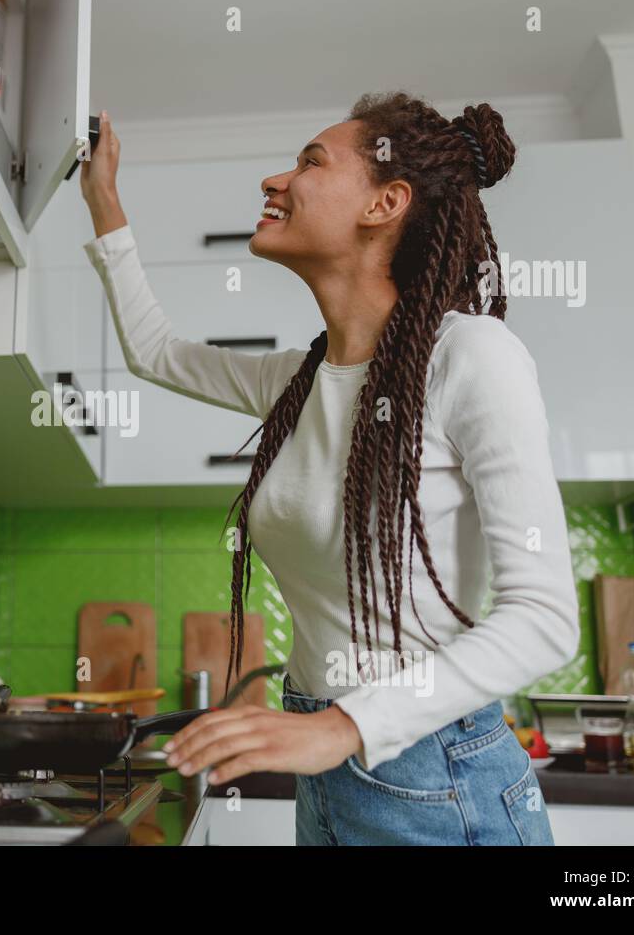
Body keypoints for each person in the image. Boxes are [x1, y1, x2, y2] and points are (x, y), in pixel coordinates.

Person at [78, 93, 579, 845]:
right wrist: (104, 199)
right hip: (326, 756)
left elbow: (545, 619)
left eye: (310, 161)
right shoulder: (300, 383)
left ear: (385, 201)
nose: (274, 181)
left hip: (434, 775)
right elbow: (156, 352)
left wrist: (347, 724)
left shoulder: (472, 358)